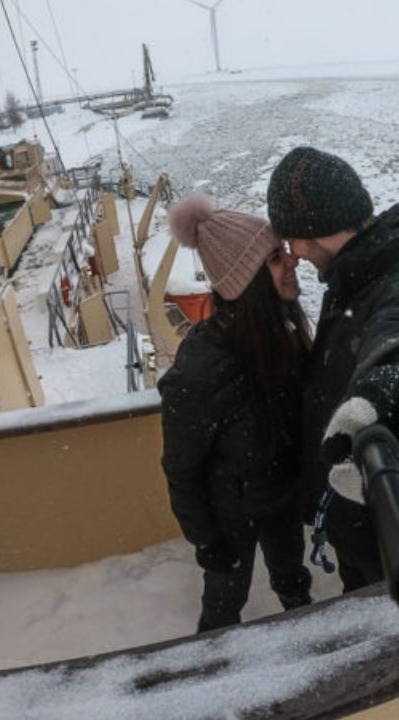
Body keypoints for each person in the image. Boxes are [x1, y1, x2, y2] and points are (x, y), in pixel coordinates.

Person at [266, 146, 399, 593]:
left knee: (393, 620)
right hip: (358, 514)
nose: (293, 255)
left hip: (393, 524)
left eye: (291, 240)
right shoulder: (355, 275)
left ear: (313, 232)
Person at [159, 195, 312, 632]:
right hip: (230, 512)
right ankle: (213, 659)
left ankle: (304, 632)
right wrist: (206, 541)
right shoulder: (200, 372)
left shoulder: (281, 333)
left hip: (280, 496)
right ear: (247, 282)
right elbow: (181, 468)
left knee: (293, 579)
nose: (292, 261)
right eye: (275, 258)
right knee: (225, 601)